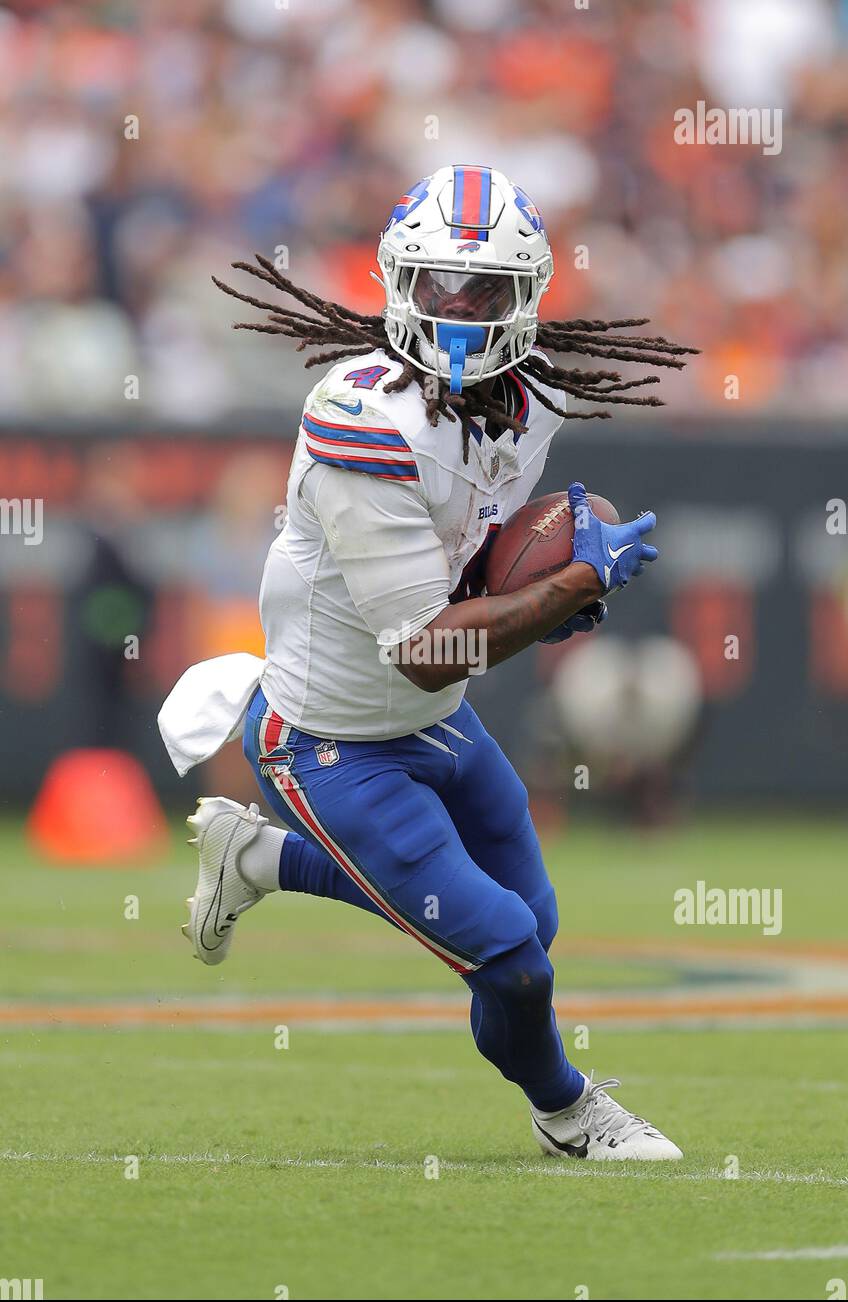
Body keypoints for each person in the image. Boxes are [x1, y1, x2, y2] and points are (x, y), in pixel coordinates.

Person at [162, 166, 697, 1160]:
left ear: (526, 298)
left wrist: (533, 591)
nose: (454, 314)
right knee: (503, 952)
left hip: (437, 718)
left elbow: (472, 565)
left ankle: (256, 857)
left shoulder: (535, 398)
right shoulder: (360, 417)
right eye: (435, 287)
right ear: (391, 281)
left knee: (530, 929)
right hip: (331, 738)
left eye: (480, 292)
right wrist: (564, 589)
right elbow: (420, 649)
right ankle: (570, 1112)